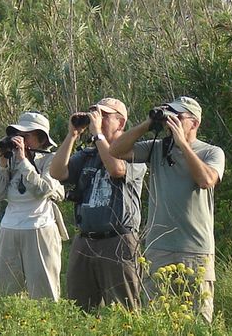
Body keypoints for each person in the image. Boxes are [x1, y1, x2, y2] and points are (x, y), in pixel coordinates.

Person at [110, 96, 225, 322]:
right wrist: (148, 124)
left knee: (197, 320)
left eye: (178, 117)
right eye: (169, 116)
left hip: (195, 249)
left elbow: (206, 180)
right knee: (157, 318)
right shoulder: (157, 148)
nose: (171, 121)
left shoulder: (211, 152)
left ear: (194, 123)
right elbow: (116, 150)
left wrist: (183, 145)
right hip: (158, 248)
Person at [50, 98, 147, 311]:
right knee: (79, 310)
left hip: (117, 240)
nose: (97, 119)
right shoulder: (88, 154)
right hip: (85, 240)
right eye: (95, 114)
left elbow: (116, 170)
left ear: (121, 123)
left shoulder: (135, 151)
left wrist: (97, 135)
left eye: (104, 116)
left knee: (123, 310)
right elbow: (57, 172)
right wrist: (72, 135)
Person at [0, 111, 66, 301]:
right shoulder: (10, 161)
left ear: (40, 138)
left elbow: (43, 189)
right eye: (17, 135)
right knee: (7, 293)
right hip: (9, 229)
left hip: (39, 228)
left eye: (26, 135)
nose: (20, 140)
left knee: (44, 291)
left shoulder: (51, 159)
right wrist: (3, 162)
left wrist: (23, 161)